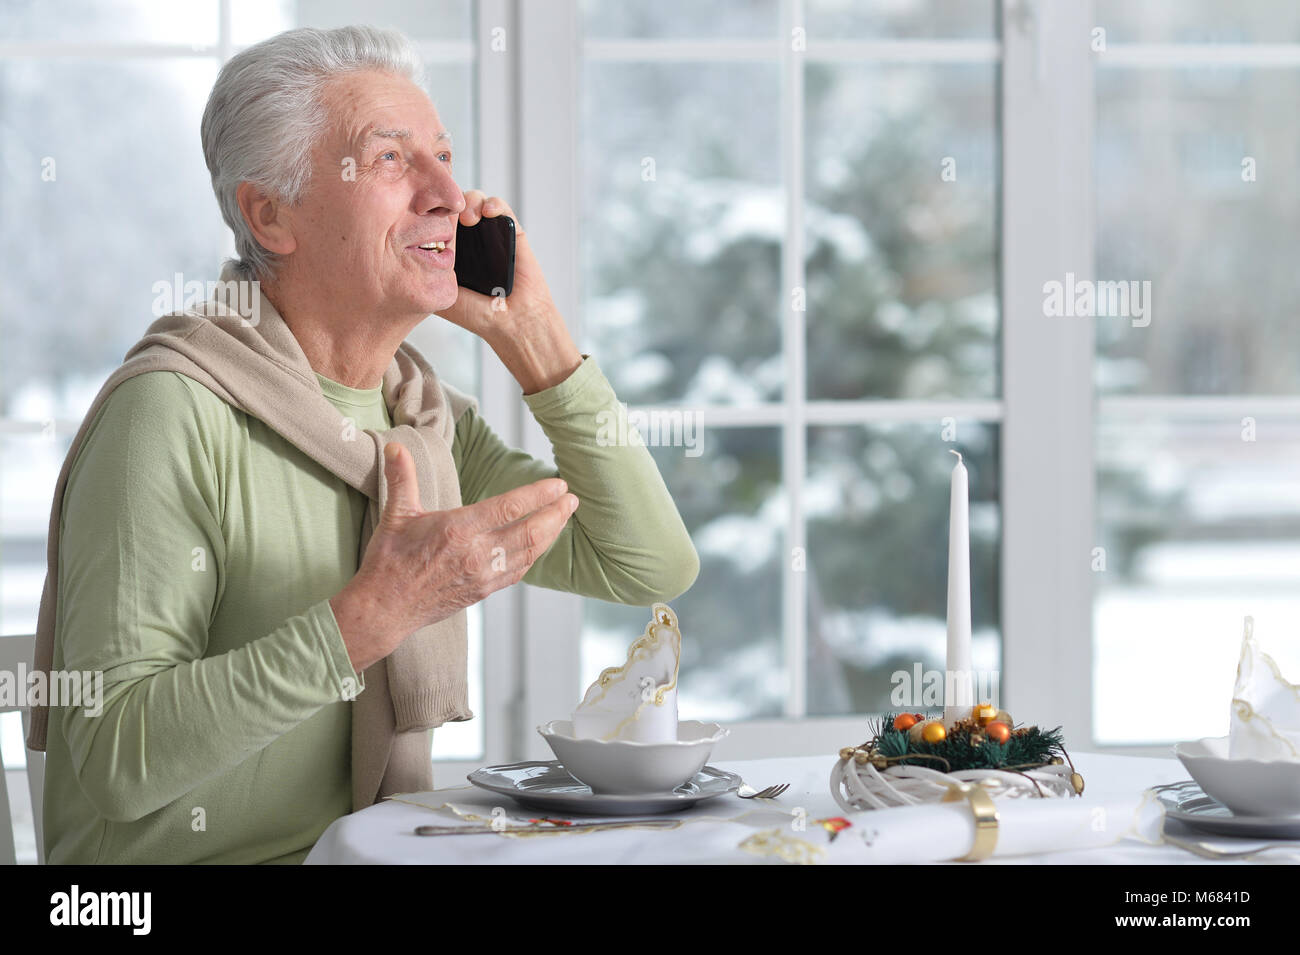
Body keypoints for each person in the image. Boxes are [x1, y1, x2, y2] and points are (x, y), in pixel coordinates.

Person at [38, 24, 698, 864]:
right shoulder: (168, 414)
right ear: (270, 214)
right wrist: (371, 616)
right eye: (391, 160)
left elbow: (647, 562)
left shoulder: (421, 417)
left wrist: (538, 344)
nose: (449, 195)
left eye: (444, 157)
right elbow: (113, 759)